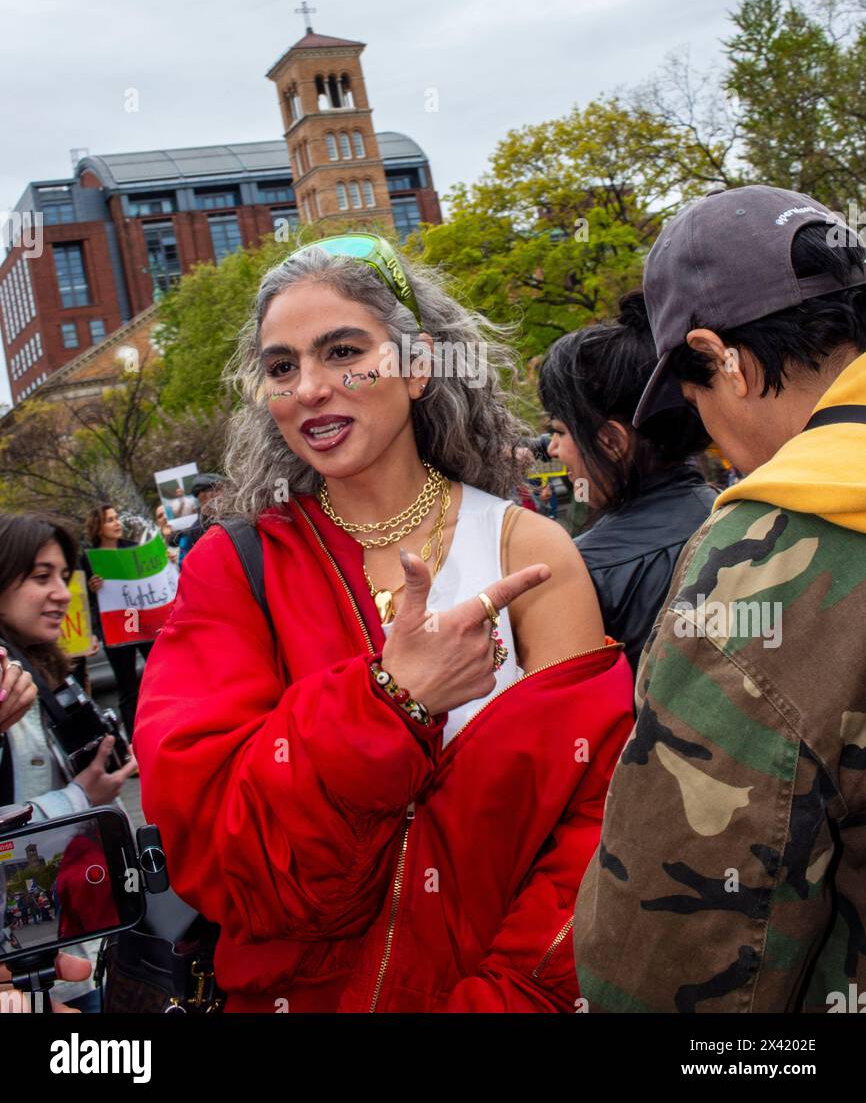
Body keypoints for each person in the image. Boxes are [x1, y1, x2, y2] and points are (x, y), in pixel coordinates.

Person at [136, 232, 633, 1013]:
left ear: (418, 365)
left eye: (342, 352)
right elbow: (216, 849)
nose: (309, 387)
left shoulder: (528, 550)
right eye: (281, 367)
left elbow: (597, 825)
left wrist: (497, 1001)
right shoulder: (233, 570)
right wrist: (387, 703)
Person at [574, 185, 866, 1013]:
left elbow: (668, 952)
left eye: (696, 401)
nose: (711, 441)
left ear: (722, 357)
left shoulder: (765, 557)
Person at [539, 290, 717, 677]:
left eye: (560, 431)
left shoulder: (584, 568)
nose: (553, 449)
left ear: (612, 442)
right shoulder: (739, 518)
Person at [0, 512, 138, 1007]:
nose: (61, 592)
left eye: (64, 576)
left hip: (67, 946)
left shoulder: (39, 664)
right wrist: (81, 798)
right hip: (22, 972)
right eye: (41, 578)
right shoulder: (5, 679)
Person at [80, 504, 153, 744]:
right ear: (98, 527)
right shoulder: (89, 559)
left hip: (143, 624)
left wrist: (165, 560)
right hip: (115, 629)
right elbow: (84, 599)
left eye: (117, 518)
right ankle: (135, 745)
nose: (117, 523)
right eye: (110, 520)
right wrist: (92, 590)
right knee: (128, 686)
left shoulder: (133, 549)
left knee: (158, 674)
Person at [176, 473, 224, 567]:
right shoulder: (195, 531)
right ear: (204, 495)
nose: (224, 494)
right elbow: (189, 565)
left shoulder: (239, 516)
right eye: (218, 489)